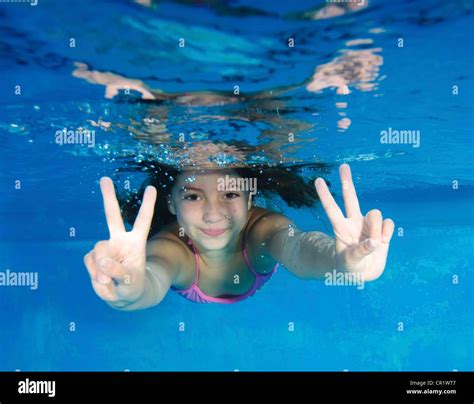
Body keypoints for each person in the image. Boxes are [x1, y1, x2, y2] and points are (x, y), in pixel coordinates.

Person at [83, 161, 395, 309]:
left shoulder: (264, 230)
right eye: (192, 196)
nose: (213, 214)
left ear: (249, 200)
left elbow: (298, 248)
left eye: (230, 195)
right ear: (171, 203)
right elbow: (153, 275)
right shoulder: (172, 247)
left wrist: (339, 263)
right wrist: (131, 290)